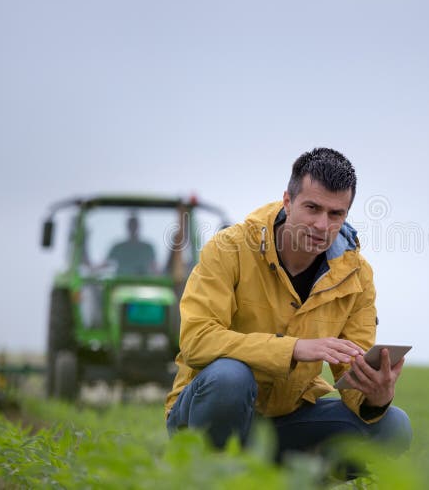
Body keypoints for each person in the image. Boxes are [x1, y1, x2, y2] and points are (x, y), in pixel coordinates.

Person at [165, 148, 412, 464]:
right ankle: (210, 474)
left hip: (286, 421)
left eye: (335, 214)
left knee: (393, 427)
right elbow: (196, 341)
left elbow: (353, 371)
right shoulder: (228, 248)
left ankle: (285, 480)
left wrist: (376, 397)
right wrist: (293, 349)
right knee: (230, 377)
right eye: (312, 208)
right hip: (206, 410)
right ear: (287, 201)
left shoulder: (358, 275)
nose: (322, 225)